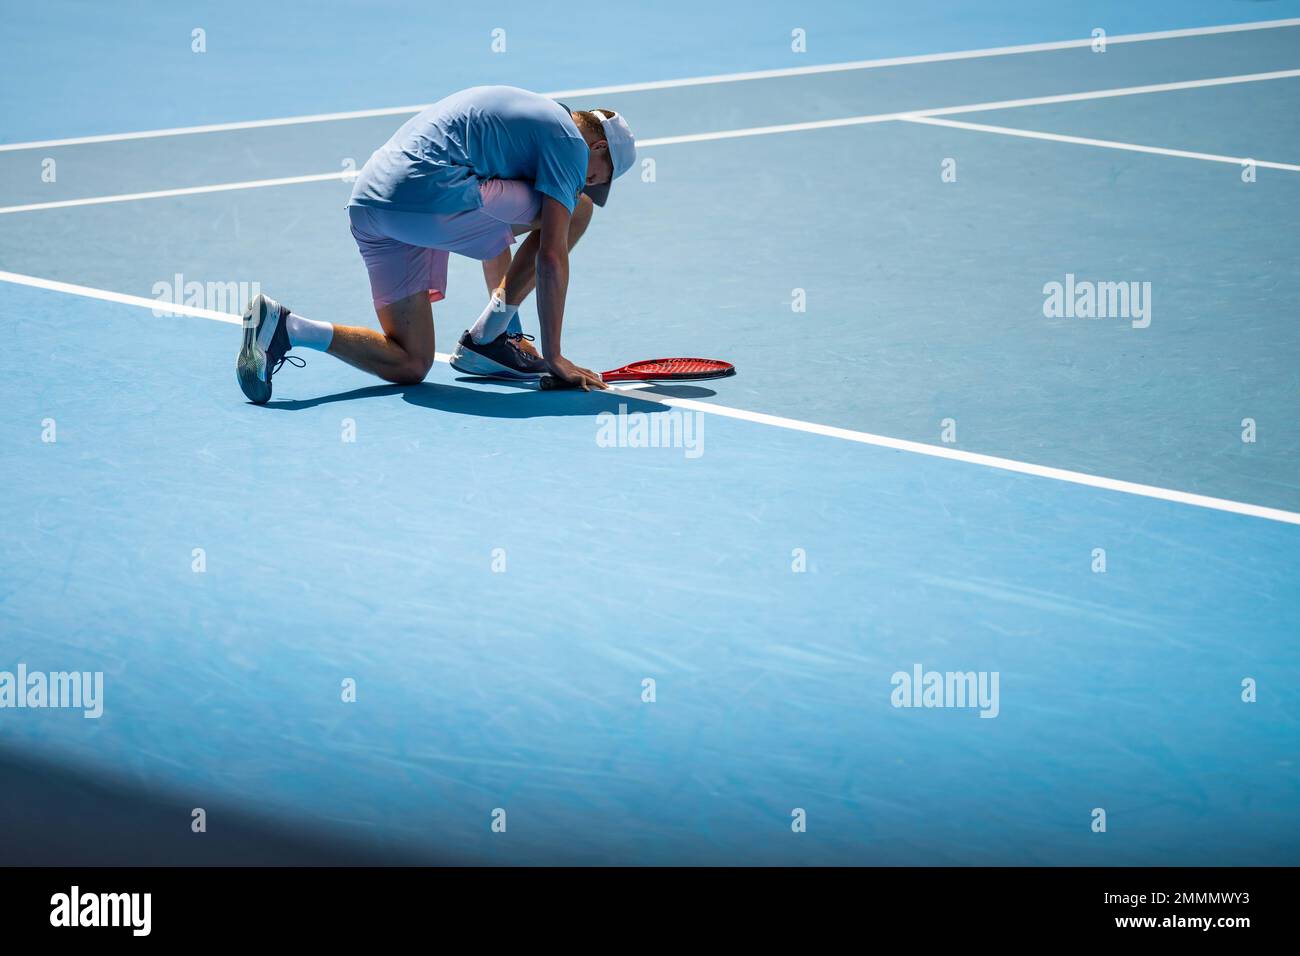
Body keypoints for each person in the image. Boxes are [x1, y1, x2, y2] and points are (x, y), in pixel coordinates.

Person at [236, 85, 636, 404]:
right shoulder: (569, 141)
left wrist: (506, 330)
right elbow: (550, 255)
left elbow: (497, 236)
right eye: (599, 177)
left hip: (372, 206)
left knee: (411, 362)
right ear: (598, 147)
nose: (590, 184)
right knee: (576, 210)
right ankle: (490, 341)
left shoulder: (527, 126)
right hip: (426, 197)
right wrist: (554, 357)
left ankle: (286, 326)